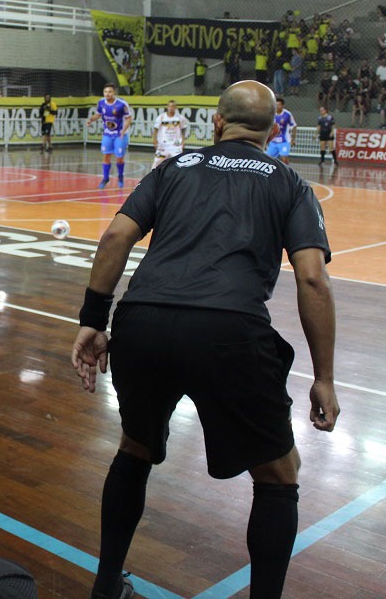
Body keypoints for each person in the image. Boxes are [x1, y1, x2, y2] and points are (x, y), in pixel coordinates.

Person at [71, 79, 338, 599]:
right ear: (272, 131)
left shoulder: (174, 167)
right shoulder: (289, 183)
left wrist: (93, 319)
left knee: (135, 447)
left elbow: (116, 236)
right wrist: (324, 376)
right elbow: (312, 279)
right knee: (279, 474)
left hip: (143, 321)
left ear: (217, 123)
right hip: (227, 330)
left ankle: (106, 587)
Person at [86, 84, 132, 188]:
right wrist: (90, 120)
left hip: (119, 134)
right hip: (107, 134)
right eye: (105, 92)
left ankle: (120, 176)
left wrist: (124, 130)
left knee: (119, 158)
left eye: (110, 92)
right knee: (106, 156)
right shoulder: (101, 103)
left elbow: (129, 118)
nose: (107, 94)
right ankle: (105, 178)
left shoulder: (121, 104)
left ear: (114, 92)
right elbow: (98, 114)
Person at [151, 100, 186, 169]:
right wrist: (154, 140)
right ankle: (153, 174)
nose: (170, 108)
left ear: (175, 108)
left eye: (172, 106)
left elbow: (183, 129)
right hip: (163, 144)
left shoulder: (180, 118)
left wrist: (183, 140)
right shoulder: (161, 117)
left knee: (179, 162)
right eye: (169, 106)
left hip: (176, 145)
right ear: (167, 107)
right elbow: (155, 129)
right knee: (157, 162)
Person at [268, 96, 296, 165]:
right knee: (268, 159)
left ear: (283, 106)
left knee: (284, 159)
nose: (277, 106)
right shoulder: (271, 114)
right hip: (273, 141)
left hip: (284, 141)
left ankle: (287, 171)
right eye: (276, 105)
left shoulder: (287, 114)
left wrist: (293, 139)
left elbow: (294, 126)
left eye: (279, 105)